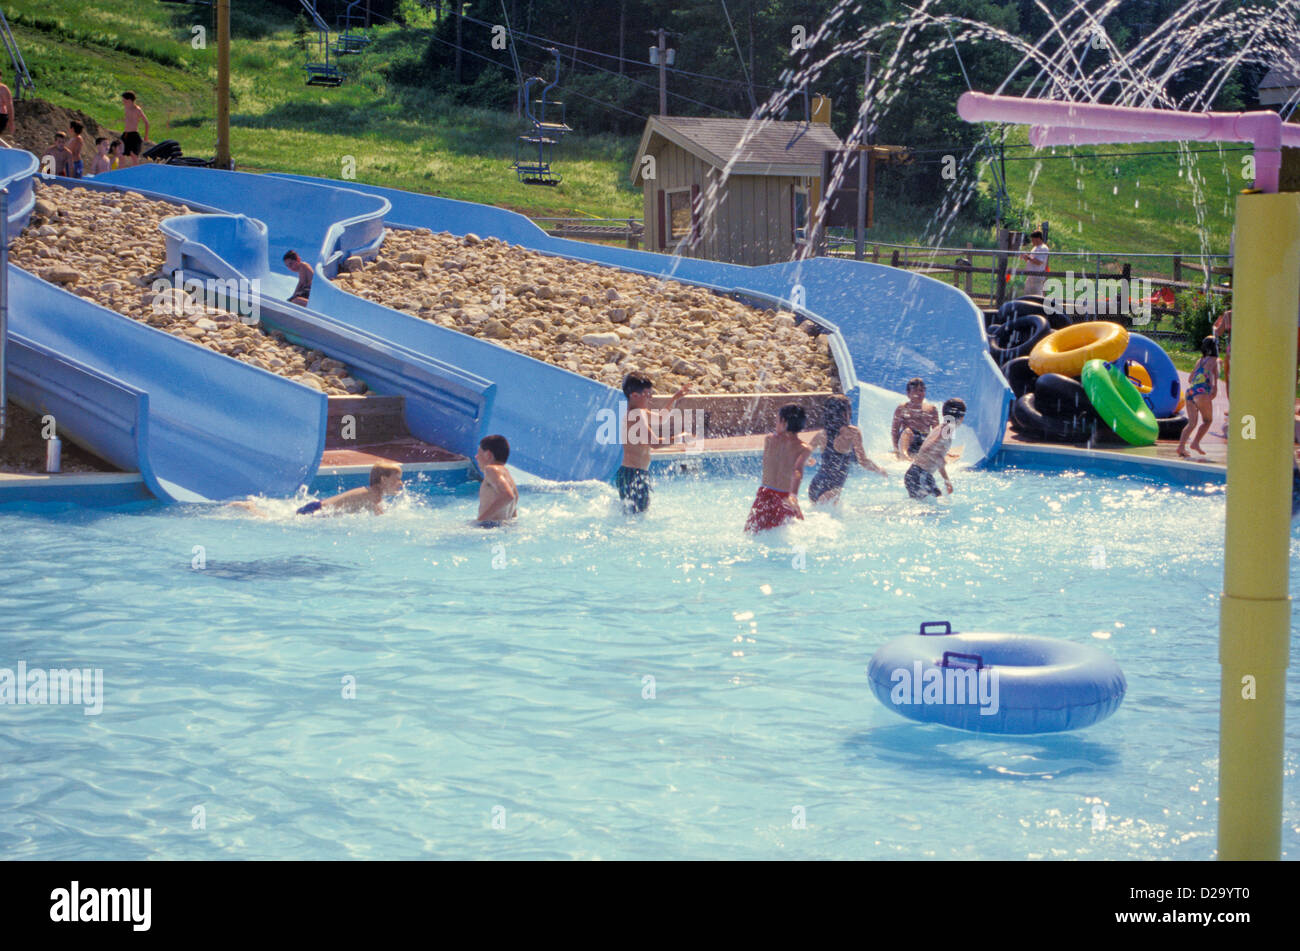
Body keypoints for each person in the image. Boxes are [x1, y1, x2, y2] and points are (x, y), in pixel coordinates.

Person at [615, 372, 690, 514]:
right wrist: (681, 437)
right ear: (634, 395)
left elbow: (662, 418)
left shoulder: (639, 411)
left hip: (631, 474)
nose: (651, 397)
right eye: (647, 394)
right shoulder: (636, 416)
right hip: (634, 476)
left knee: (633, 517)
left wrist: (675, 398)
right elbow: (654, 443)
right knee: (637, 519)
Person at [228, 462, 403, 517]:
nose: (400, 484)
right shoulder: (374, 496)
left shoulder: (372, 492)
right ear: (383, 479)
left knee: (281, 517)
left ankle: (252, 507)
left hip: (316, 507)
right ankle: (251, 508)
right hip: (316, 510)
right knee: (273, 520)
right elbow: (381, 519)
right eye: (397, 479)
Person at [807, 395, 886, 504]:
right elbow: (863, 461)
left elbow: (804, 454)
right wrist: (879, 470)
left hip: (815, 485)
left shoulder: (821, 434)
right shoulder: (852, 433)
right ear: (845, 413)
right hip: (832, 488)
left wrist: (809, 460)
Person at [745, 404, 811, 533]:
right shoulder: (804, 448)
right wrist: (793, 495)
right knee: (794, 527)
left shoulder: (769, 440)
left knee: (751, 532)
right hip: (785, 497)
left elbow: (777, 459)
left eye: (777, 420)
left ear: (783, 422)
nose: (775, 424)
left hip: (764, 494)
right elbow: (797, 471)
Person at [904, 398, 965, 500]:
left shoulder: (941, 428)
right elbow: (936, 455)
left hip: (916, 474)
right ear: (961, 418)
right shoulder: (947, 431)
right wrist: (947, 480)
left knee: (933, 503)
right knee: (932, 509)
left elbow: (935, 454)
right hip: (920, 475)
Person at [1178, 337, 1219, 458]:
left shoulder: (1199, 361)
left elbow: (1190, 378)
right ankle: (1195, 443)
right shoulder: (1215, 360)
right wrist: (1213, 388)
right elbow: (1215, 378)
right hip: (1201, 391)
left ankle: (1180, 447)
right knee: (1207, 420)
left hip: (1190, 391)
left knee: (1191, 423)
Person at [475, 434, 518, 527]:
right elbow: (513, 509)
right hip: (503, 526)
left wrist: (480, 520)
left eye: (479, 453)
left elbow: (507, 496)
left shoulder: (491, 469)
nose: (476, 457)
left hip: (488, 527)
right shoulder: (508, 477)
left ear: (488, 455)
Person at [891, 377, 940, 459]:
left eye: (921, 390)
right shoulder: (902, 408)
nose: (919, 393)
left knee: (933, 436)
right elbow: (895, 430)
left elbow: (936, 432)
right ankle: (904, 454)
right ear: (908, 394)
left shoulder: (931, 409)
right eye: (915, 391)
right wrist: (896, 449)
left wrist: (939, 450)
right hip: (906, 442)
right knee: (907, 431)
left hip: (923, 441)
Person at [120, 91, 150, 167]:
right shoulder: (126, 108)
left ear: (129, 100)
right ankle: (121, 171)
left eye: (124, 100)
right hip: (126, 133)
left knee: (134, 155)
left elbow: (146, 123)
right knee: (120, 153)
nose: (123, 102)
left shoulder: (137, 110)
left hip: (134, 134)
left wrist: (146, 136)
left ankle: (135, 171)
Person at [1021, 230, 1050, 297]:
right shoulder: (1034, 248)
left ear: (1038, 238)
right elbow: (1031, 261)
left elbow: (1039, 262)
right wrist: (1025, 257)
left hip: (1038, 275)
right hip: (1030, 275)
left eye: (1033, 239)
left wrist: (1028, 257)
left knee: (1037, 295)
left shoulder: (1044, 248)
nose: (1032, 241)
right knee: (1027, 294)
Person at [0, 74, 12, 147]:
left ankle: (8, 149)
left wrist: (11, 121)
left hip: (1, 116)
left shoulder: (3, 89)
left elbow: (9, 106)